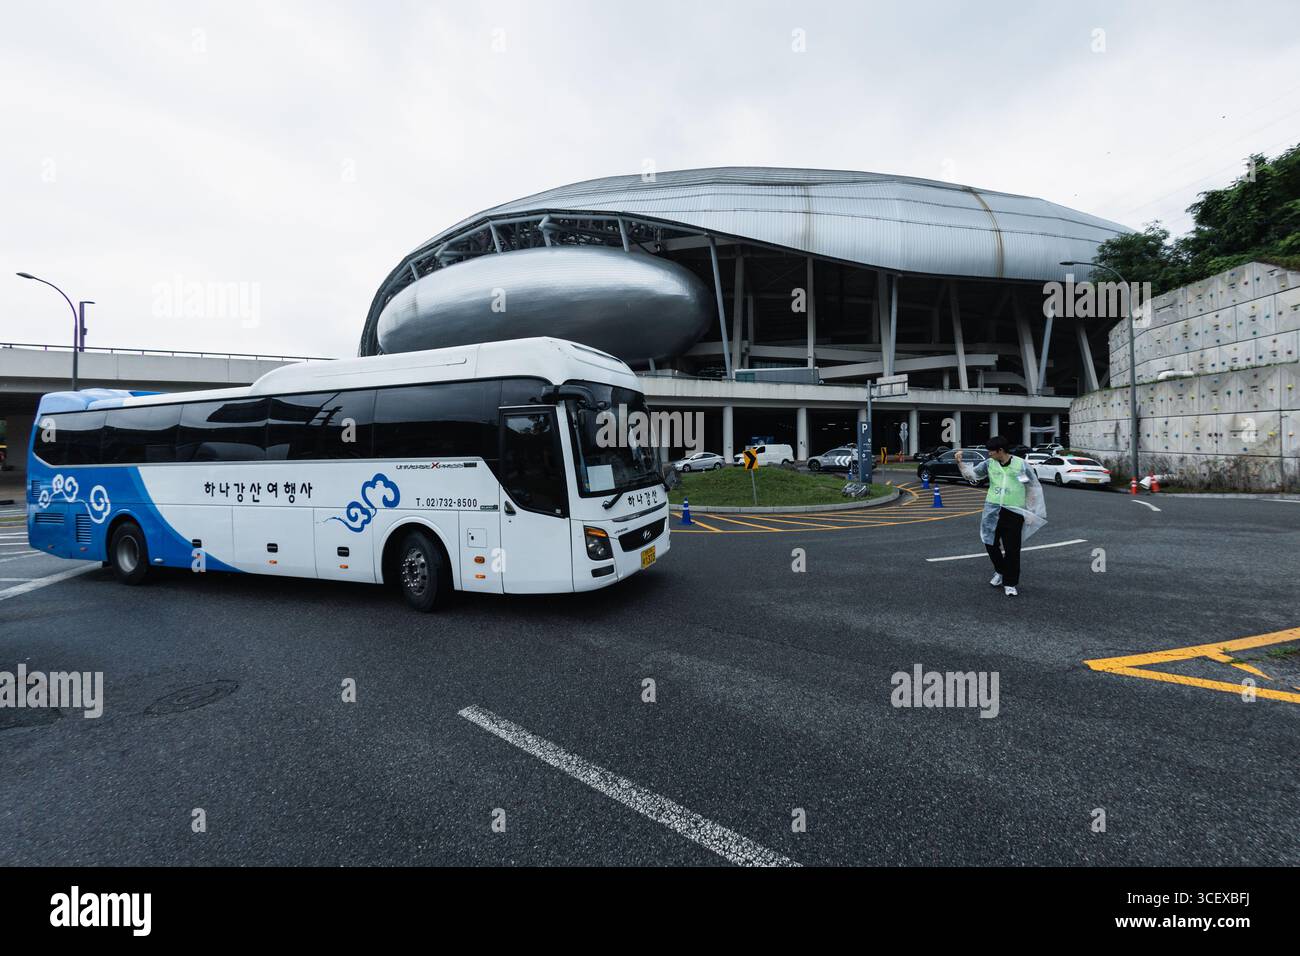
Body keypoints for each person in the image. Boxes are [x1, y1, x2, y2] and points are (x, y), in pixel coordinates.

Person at [955, 436, 1046, 597]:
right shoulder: (989, 464)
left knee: (1012, 549)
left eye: (991, 451)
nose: (989, 454)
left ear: (1000, 451)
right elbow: (972, 475)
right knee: (989, 542)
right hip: (992, 510)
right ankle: (1000, 570)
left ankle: (1010, 583)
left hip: (1014, 512)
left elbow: (1030, 487)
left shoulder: (1019, 466)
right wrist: (960, 462)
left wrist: (1030, 511)